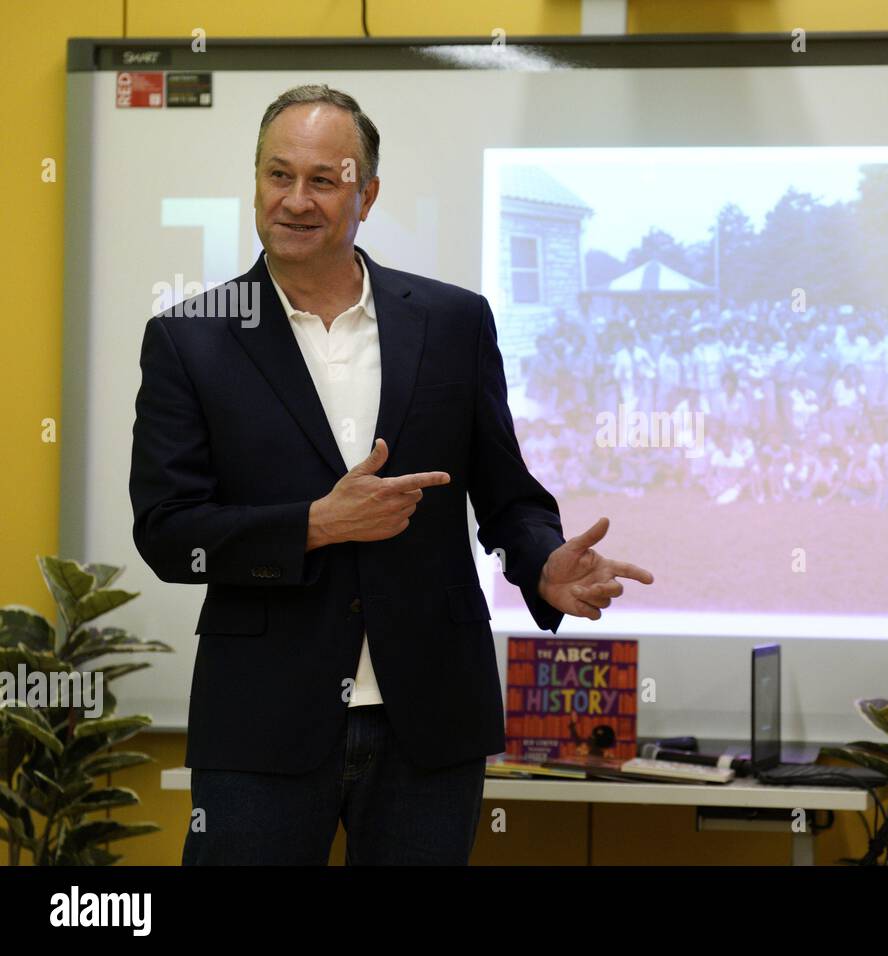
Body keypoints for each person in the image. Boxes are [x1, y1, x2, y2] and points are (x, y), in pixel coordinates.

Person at [129, 85, 653, 865]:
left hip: (430, 720)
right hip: (260, 724)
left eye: (324, 179)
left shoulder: (452, 323)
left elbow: (507, 498)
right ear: (256, 183)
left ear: (366, 194)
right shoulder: (189, 339)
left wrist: (541, 564)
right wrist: (314, 525)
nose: (296, 200)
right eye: (279, 176)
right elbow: (169, 534)